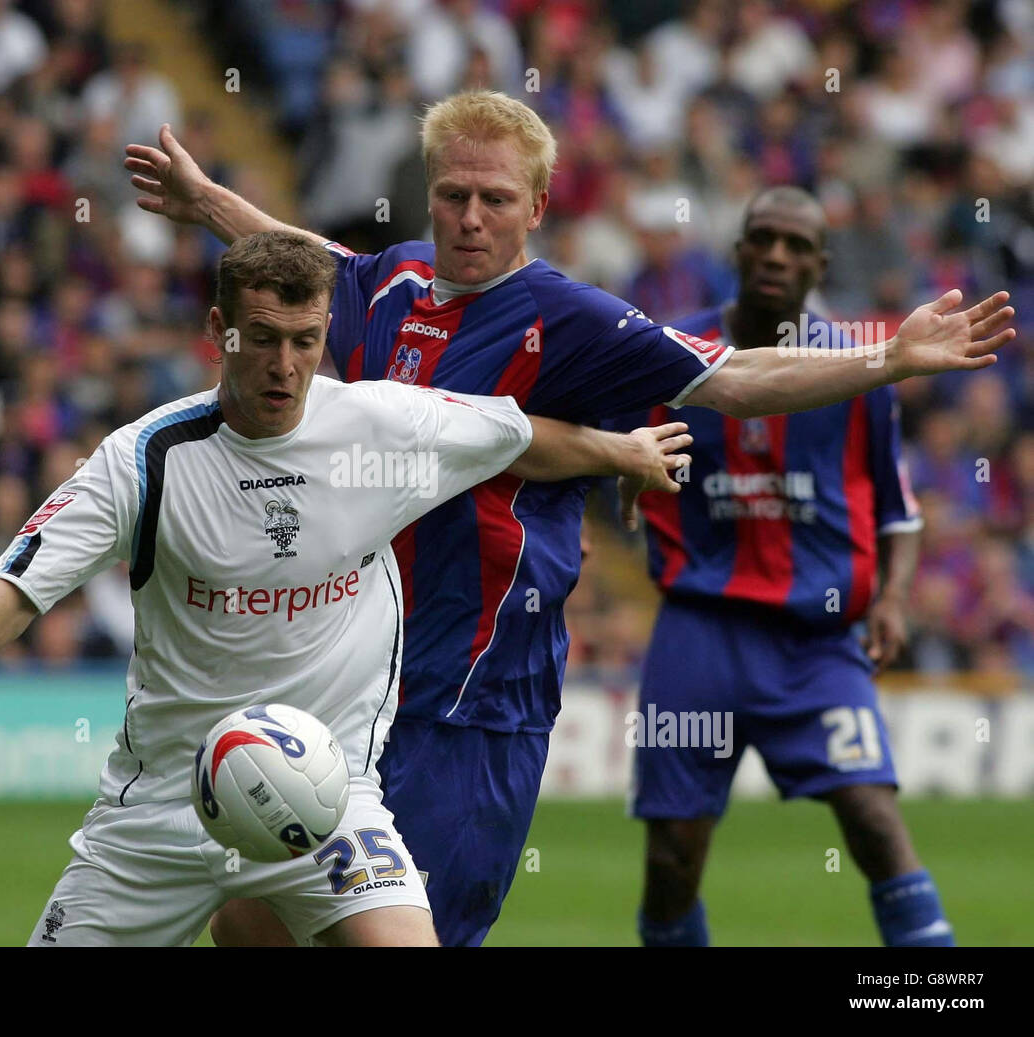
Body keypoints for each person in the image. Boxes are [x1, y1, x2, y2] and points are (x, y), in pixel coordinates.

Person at [125, 89, 1013, 947]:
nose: (471, 217)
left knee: (405, 933)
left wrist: (888, 358)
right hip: (351, 682)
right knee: (249, 921)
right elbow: (302, 254)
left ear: (538, 206)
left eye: (495, 200)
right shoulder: (390, 281)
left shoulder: (571, 318)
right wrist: (205, 203)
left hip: (476, 701)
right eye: (453, 195)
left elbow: (735, 380)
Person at [0, 231, 690, 948]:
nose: (285, 367)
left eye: (306, 341)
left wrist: (627, 450)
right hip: (161, 807)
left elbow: (518, 432)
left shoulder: (379, 425)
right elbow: (12, 594)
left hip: (330, 797)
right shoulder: (143, 459)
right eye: (262, 340)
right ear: (218, 332)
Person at [611, 187, 951, 946]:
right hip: (700, 630)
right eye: (762, 237)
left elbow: (898, 510)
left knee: (873, 818)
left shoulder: (863, 370)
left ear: (819, 264)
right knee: (671, 861)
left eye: (796, 245)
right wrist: (620, 468)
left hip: (816, 637)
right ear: (737, 251)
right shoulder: (669, 354)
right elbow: (610, 448)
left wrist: (892, 599)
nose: (775, 254)